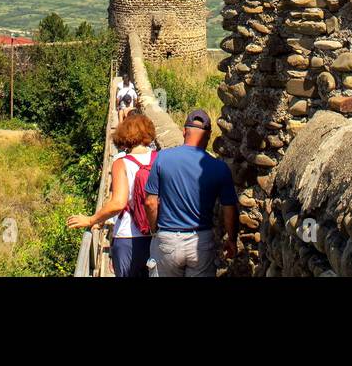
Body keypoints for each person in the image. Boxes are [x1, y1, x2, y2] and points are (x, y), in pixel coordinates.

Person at [144, 109, 237, 276]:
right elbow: (229, 208)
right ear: (208, 136)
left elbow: (150, 203)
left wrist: (154, 231)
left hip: (168, 240)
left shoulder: (162, 158)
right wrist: (231, 239)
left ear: (184, 131)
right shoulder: (220, 168)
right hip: (201, 242)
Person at [66, 111, 157, 277]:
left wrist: (92, 219)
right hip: (157, 236)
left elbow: (118, 203)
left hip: (128, 237)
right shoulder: (160, 159)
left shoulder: (121, 163)